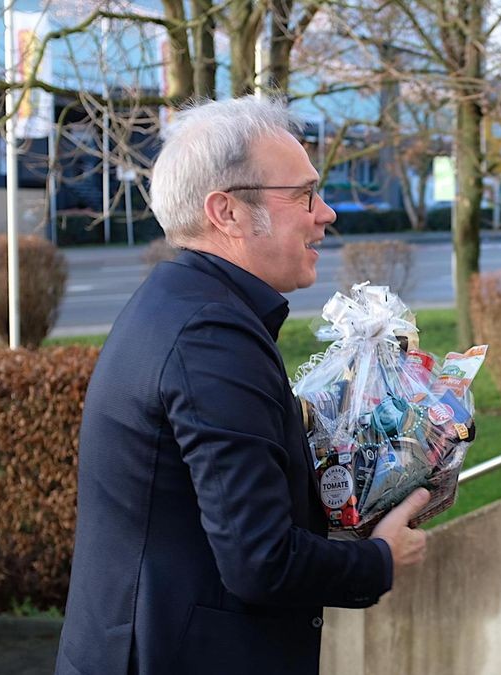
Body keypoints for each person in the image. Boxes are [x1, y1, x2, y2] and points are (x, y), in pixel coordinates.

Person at [55, 97, 429, 675]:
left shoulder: (182, 303)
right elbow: (261, 560)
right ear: (226, 212)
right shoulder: (211, 335)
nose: (326, 213)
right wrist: (380, 559)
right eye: (304, 195)